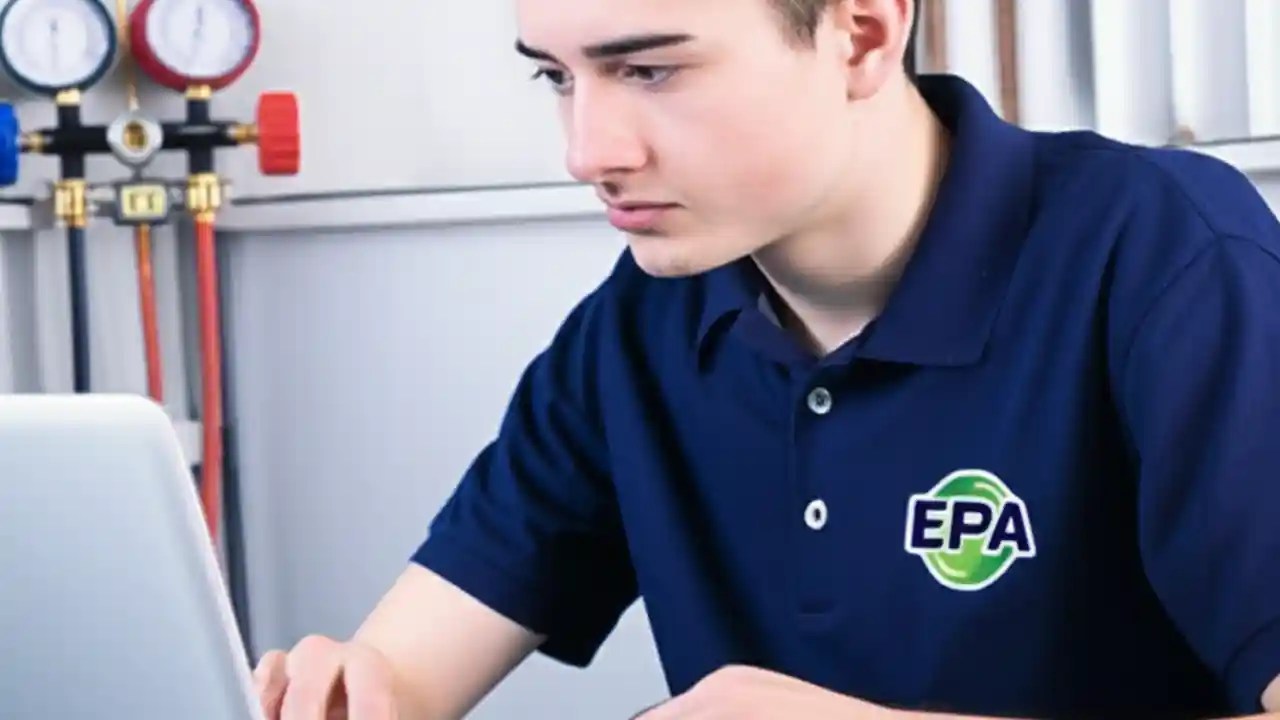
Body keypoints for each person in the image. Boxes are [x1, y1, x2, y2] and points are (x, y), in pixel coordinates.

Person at [252, 0, 1280, 717]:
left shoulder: (1164, 255)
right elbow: (400, 672)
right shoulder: (636, 328)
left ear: (861, 33)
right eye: (555, 78)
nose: (586, 150)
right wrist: (337, 688)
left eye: (648, 69)